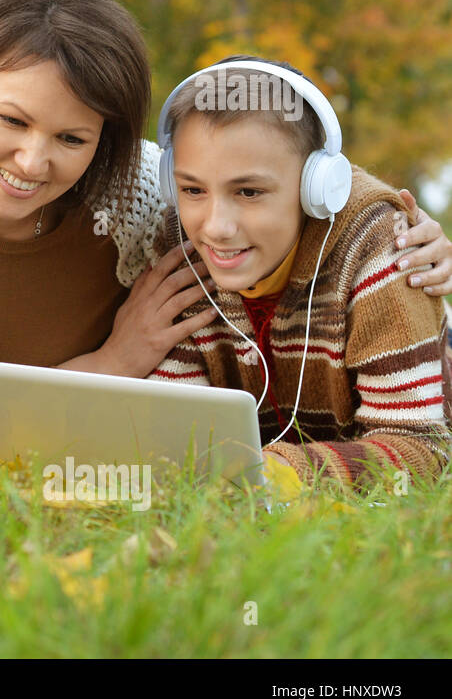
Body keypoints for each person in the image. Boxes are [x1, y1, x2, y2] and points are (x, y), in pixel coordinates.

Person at [0, 0, 452, 410]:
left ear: (107, 141)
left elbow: (272, 172)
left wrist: (394, 229)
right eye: (11, 121)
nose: (32, 161)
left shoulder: (147, 192)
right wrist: (112, 363)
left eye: (71, 137)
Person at [148, 56, 451, 486]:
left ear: (318, 188)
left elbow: (420, 448)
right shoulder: (181, 249)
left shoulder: (382, 247)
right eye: (192, 189)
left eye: (249, 191)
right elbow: (178, 439)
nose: (215, 227)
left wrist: (277, 474)